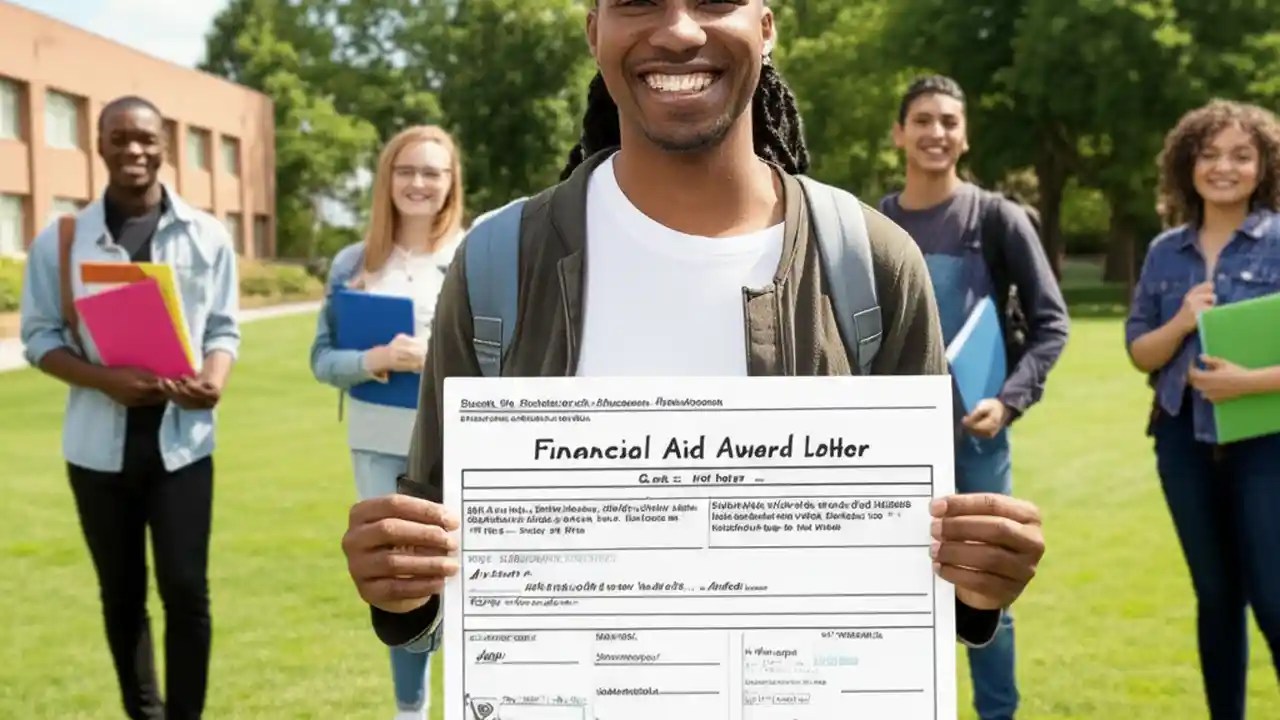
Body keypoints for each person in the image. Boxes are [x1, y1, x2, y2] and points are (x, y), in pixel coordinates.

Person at [339, 0, 1047, 696]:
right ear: (596, 32)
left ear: (766, 28)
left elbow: (916, 566)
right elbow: (436, 544)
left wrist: (977, 580)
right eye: (638, 2)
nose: (678, 29)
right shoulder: (499, 262)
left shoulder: (873, 263)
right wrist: (403, 585)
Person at [18, 95, 240, 719]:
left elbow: (223, 327)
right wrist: (101, 378)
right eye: (119, 138)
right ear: (99, 144)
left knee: (186, 592)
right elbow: (38, 337)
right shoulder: (61, 241)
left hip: (184, 444)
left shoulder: (208, 236)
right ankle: (143, 713)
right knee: (121, 596)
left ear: (165, 144)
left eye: (145, 139)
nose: (134, 150)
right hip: (97, 449)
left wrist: (215, 375)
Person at [878, 75, 1069, 720]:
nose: (936, 133)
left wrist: (1009, 401)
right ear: (899, 133)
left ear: (964, 135)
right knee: (892, 595)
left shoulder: (997, 218)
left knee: (985, 593)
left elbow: (1052, 324)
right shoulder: (874, 224)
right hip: (891, 446)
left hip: (976, 436)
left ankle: (997, 714)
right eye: (923, 120)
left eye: (950, 122)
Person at [1125, 99, 1280, 720]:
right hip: (1182, 442)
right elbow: (1140, 349)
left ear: (1263, 165)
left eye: (1241, 155)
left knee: (1271, 595)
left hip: (1265, 443)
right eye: (1210, 154)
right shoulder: (1166, 250)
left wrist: (1252, 382)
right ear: (1188, 164)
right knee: (1215, 596)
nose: (1224, 167)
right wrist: (1183, 321)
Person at [310, 124, 465, 720]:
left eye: (432, 171)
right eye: (406, 171)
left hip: (455, 445)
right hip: (378, 447)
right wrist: (373, 360)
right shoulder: (355, 261)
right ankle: (409, 710)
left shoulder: (474, 255)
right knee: (403, 588)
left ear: (451, 182)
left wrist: (435, 359)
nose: (419, 183)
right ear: (387, 180)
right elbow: (322, 361)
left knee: (470, 583)